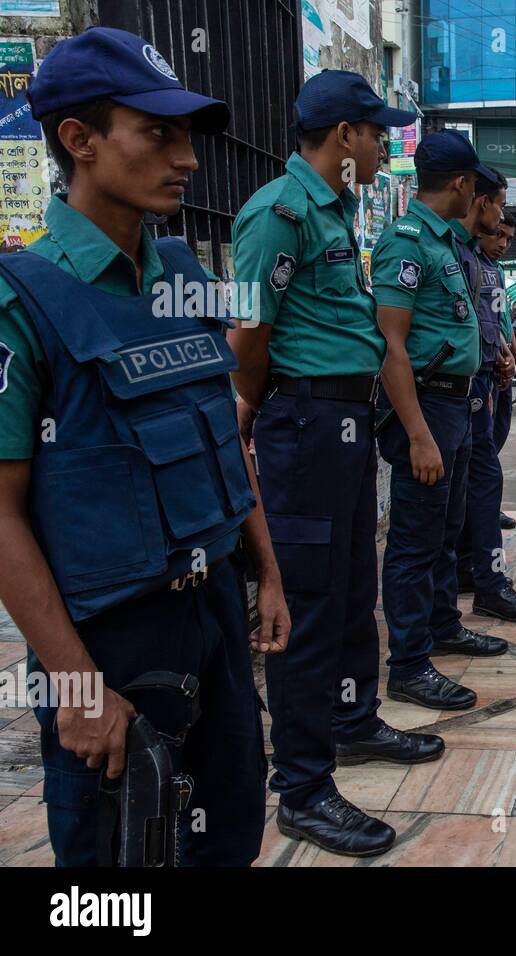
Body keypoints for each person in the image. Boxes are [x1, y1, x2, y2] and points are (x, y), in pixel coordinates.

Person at [0, 26, 288, 866]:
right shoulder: (24, 300)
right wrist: (77, 685)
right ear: (79, 141)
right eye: (157, 133)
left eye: (187, 135)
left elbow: (225, 433)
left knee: (228, 827)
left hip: (215, 617)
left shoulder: (186, 277)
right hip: (109, 643)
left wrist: (264, 568)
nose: (188, 158)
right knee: (116, 863)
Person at [229, 70, 442, 858]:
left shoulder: (335, 210)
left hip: (346, 421)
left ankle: (352, 720)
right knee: (310, 607)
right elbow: (249, 338)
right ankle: (305, 789)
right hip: (306, 423)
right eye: (377, 132)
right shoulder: (277, 216)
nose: (387, 146)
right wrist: (249, 414)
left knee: (354, 592)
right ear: (344, 136)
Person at [370, 132, 513, 724]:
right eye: (476, 185)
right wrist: (420, 435)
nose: (481, 196)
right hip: (425, 409)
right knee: (413, 539)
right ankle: (408, 664)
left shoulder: (447, 244)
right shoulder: (407, 243)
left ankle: (442, 627)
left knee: (446, 526)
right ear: (460, 184)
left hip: (455, 405)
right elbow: (390, 345)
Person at [450, 170, 516, 623]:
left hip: (483, 379)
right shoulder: (447, 251)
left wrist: (507, 359)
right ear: (475, 198)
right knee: (465, 489)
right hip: (455, 392)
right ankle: (475, 582)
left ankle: (478, 576)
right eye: (499, 210)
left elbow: (492, 322)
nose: (503, 227)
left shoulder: (482, 263)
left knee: (482, 481)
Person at [493, 217, 516, 530]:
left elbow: (504, 323)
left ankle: (490, 506)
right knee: (482, 450)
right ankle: (484, 510)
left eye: (509, 239)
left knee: (495, 441)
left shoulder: (499, 273)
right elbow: (486, 327)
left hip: (504, 370)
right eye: (498, 235)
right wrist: (504, 356)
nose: (503, 244)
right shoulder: (473, 267)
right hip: (486, 372)